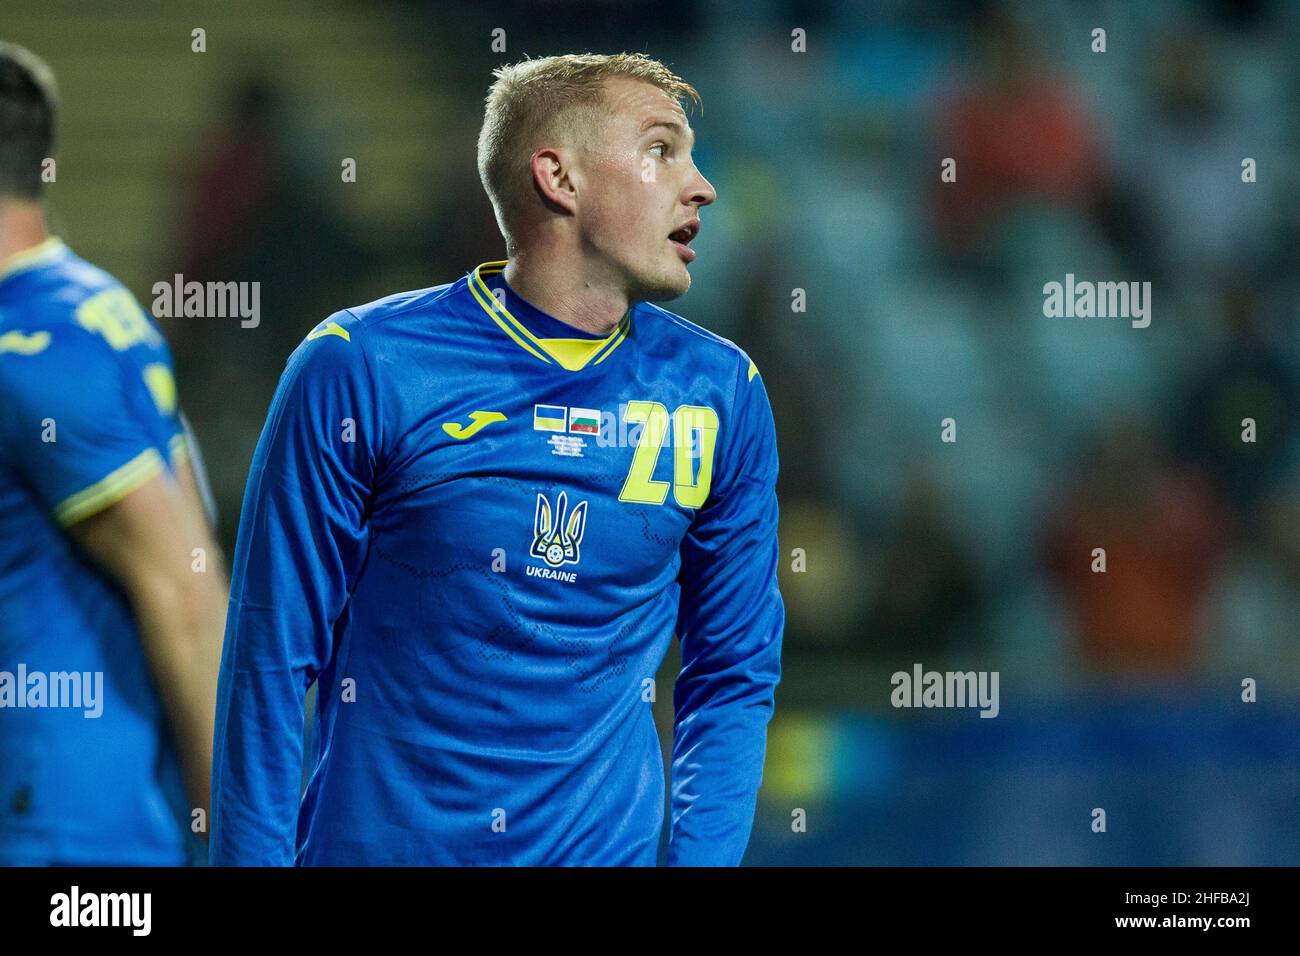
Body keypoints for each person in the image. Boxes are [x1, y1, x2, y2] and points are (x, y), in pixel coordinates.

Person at [211, 52, 784, 866]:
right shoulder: (363, 366)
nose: (701, 186)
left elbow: (732, 671)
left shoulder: (719, 392)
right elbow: (270, 656)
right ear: (560, 177)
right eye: (662, 150)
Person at [0, 42, 227, 865]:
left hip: (60, 839)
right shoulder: (91, 309)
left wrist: (236, 843)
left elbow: (188, 597)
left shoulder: (35, 345)